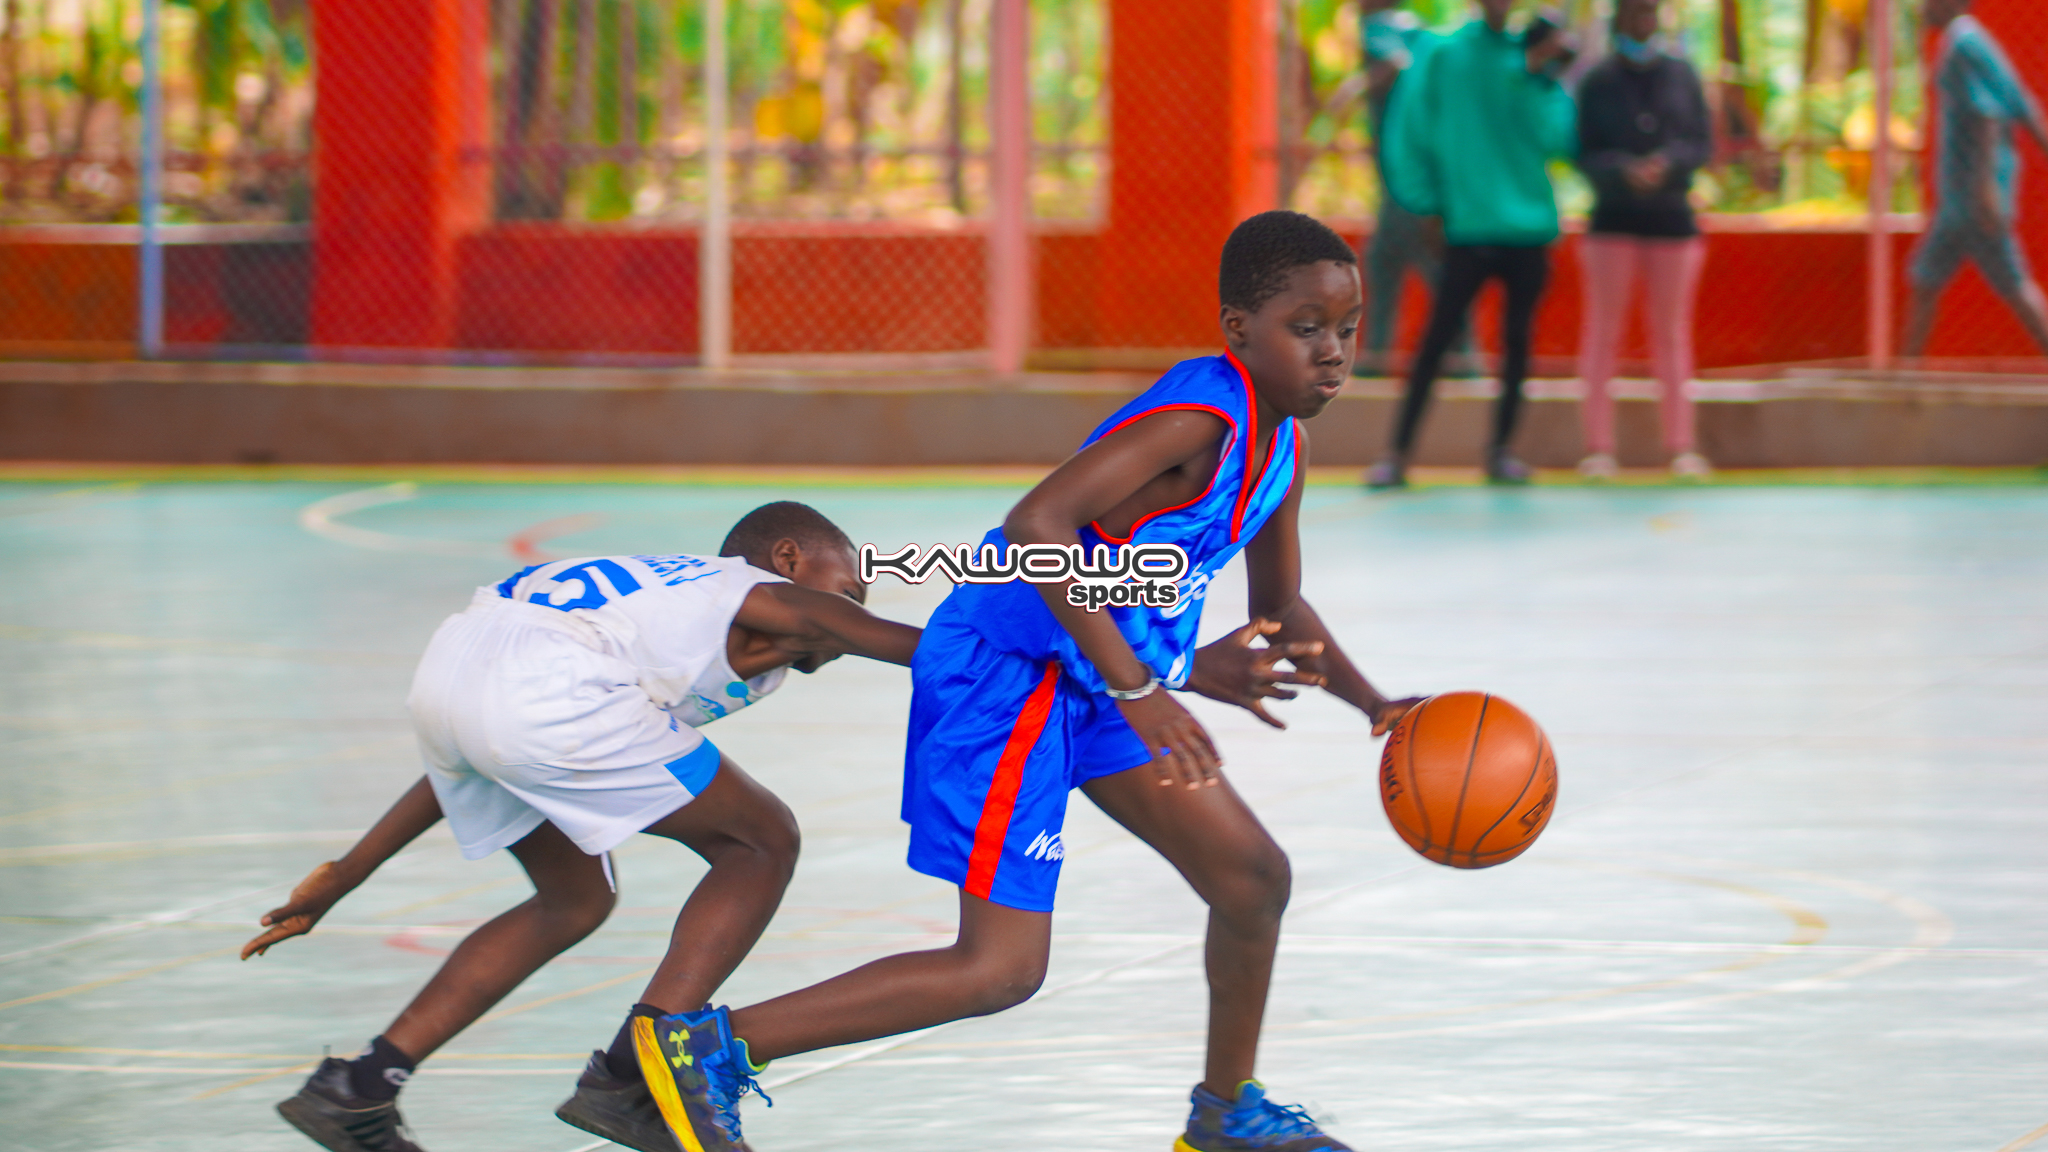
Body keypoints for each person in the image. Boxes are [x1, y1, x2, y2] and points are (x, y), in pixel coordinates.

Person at [626, 211, 1423, 1152]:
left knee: (1251, 880)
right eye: (1307, 327)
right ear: (1239, 327)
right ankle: (708, 1048)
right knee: (999, 968)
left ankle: (1225, 1118)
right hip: (1009, 680)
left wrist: (1376, 706)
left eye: (1347, 328)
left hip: (1094, 677)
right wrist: (1148, 685)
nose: (1332, 353)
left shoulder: (1278, 450)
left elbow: (1281, 607)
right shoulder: (1196, 418)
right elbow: (1038, 528)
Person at [245, 502, 920, 1152]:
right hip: (545, 688)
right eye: (850, 588)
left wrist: (347, 873)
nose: (850, 607)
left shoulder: (666, 612)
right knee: (762, 841)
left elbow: (488, 736)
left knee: (574, 898)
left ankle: (361, 1086)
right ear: (789, 557)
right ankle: (632, 1075)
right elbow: (899, 642)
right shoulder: (763, 590)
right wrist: (1019, 657)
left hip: (453, 676)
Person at [1365, 0, 1577, 488]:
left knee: (1517, 342)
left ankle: (1502, 451)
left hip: (1529, 229)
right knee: (1436, 339)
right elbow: (1409, 130)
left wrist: (1543, 76)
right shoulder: (1443, 53)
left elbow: (1559, 140)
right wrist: (1424, 204)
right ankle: (1397, 454)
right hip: (1466, 227)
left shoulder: (1528, 56)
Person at [1572, 0, 1714, 480]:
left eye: (1649, 12)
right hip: (1612, 219)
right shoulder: (1598, 80)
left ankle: (1680, 446)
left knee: (1671, 333)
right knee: (1603, 331)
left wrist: (1668, 166)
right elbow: (1583, 150)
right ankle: (1598, 448)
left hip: (1672, 219)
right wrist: (1620, 172)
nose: (1642, 22)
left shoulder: (1682, 75)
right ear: (1618, 20)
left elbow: (1701, 143)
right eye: (1633, 13)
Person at [1902, 0, 2048, 358]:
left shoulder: (1964, 46)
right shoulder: (1972, 42)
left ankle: (1905, 374)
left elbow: (1988, 116)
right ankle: (1905, 374)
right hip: (1959, 201)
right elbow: (2023, 106)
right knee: (1925, 281)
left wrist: (1986, 190)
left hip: (1971, 199)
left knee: (2013, 285)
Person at [1357, 0, 1476, 379]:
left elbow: (1394, 65)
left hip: (1404, 173)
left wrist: (1354, 89)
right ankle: (1386, 350)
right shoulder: (1423, 33)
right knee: (1389, 259)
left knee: (1412, 258)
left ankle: (1456, 351)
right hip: (1414, 172)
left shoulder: (1380, 27)